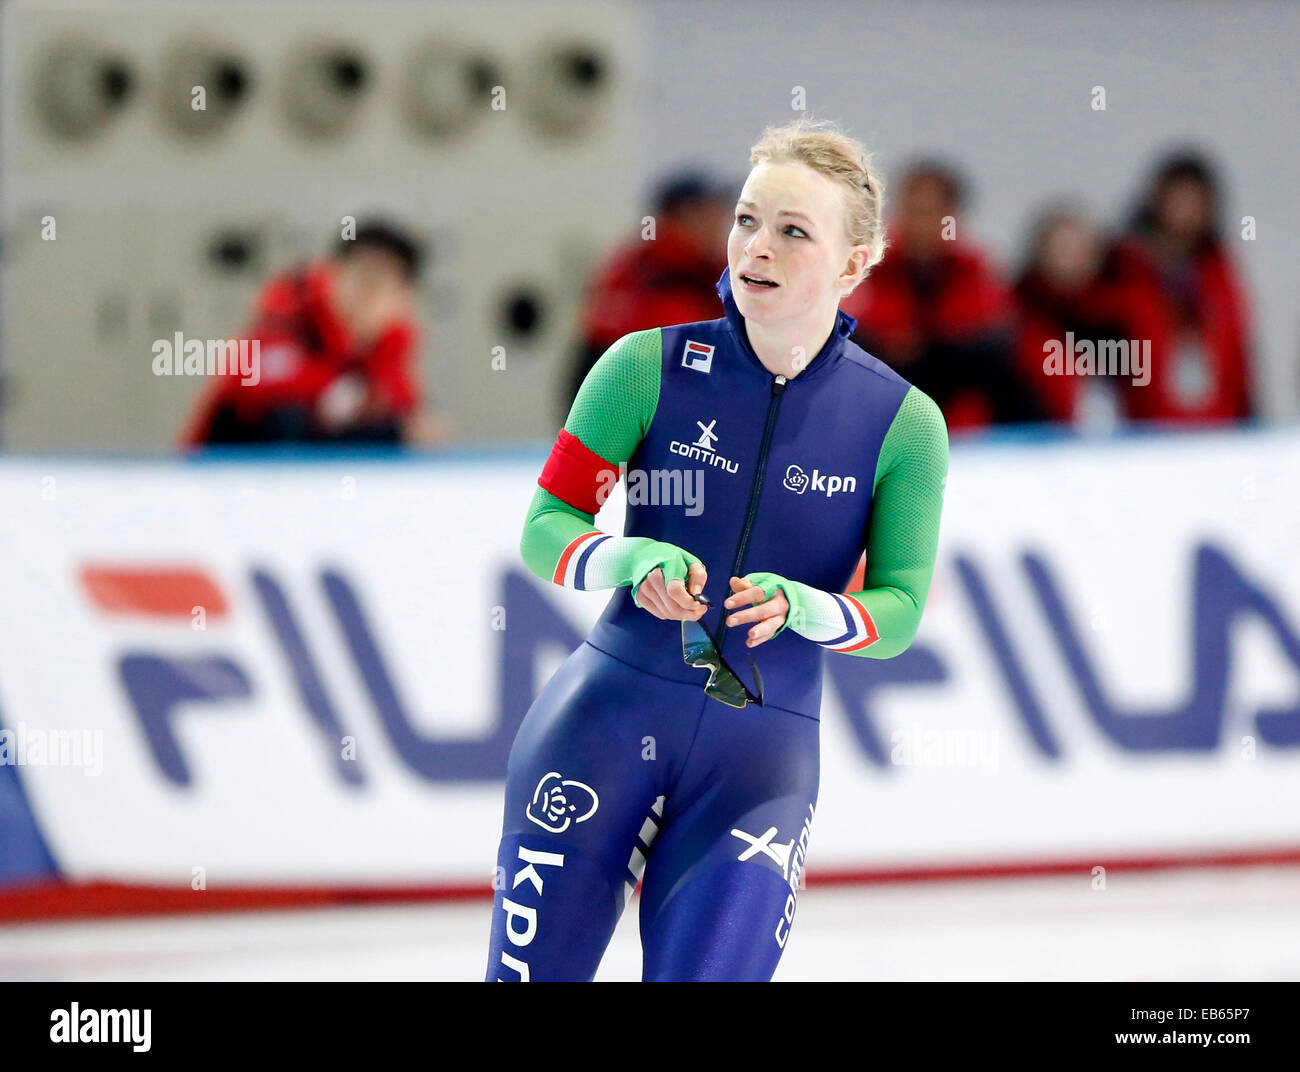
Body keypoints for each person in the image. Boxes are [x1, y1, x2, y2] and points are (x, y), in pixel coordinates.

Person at [485, 117, 948, 982]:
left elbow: (899, 614)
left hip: (759, 763)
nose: (756, 247)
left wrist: (805, 607)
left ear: (853, 266)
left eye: (792, 230)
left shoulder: (904, 425)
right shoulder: (642, 367)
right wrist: (628, 560)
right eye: (746, 219)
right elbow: (547, 528)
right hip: (603, 725)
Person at [180, 220, 451, 446]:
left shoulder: (394, 336)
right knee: (288, 417)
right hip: (231, 463)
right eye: (359, 279)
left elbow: (401, 399)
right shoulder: (290, 306)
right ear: (334, 274)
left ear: (403, 297)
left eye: (379, 287)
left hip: (325, 468)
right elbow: (256, 378)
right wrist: (342, 392)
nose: (364, 297)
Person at [842, 160, 1045, 430]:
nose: (918, 223)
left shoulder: (975, 271)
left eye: (929, 212)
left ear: (951, 214)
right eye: (911, 210)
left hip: (966, 425)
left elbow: (989, 337)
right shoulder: (869, 269)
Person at [561, 170, 733, 420]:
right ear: (683, 216)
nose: (721, 220)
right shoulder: (652, 272)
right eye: (711, 210)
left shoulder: (709, 268)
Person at [1105, 150, 1253, 424]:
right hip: (1145, 432)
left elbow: (1239, 355)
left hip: (1218, 430)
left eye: (1195, 201)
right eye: (1178, 199)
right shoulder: (1122, 268)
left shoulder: (1218, 271)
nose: (1185, 211)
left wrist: (1249, 420)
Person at [1012, 203, 1130, 425]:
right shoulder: (1017, 320)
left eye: (1083, 249)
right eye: (1063, 249)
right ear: (1040, 253)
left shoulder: (1116, 319)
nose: (1074, 259)